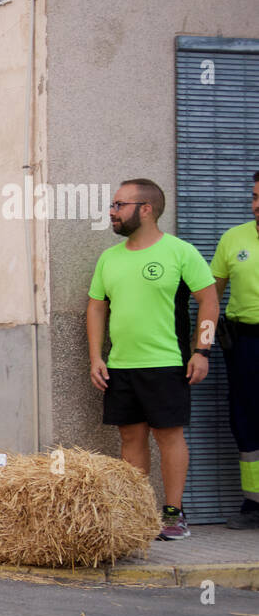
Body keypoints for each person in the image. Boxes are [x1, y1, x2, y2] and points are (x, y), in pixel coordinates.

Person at [87, 178, 219, 541]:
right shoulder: (109, 258)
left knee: (169, 436)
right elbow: (97, 307)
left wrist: (202, 351)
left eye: (119, 205)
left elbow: (209, 301)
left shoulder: (180, 252)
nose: (112, 212)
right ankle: (137, 513)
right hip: (121, 366)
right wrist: (96, 356)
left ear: (145, 210)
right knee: (130, 438)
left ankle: (173, 515)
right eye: (113, 205)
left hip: (167, 363)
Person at [209, 169, 259, 529]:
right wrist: (203, 345)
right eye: (255, 198)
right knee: (245, 419)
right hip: (244, 342)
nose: (257, 206)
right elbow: (212, 295)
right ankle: (253, 504)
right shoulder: (233, 238)